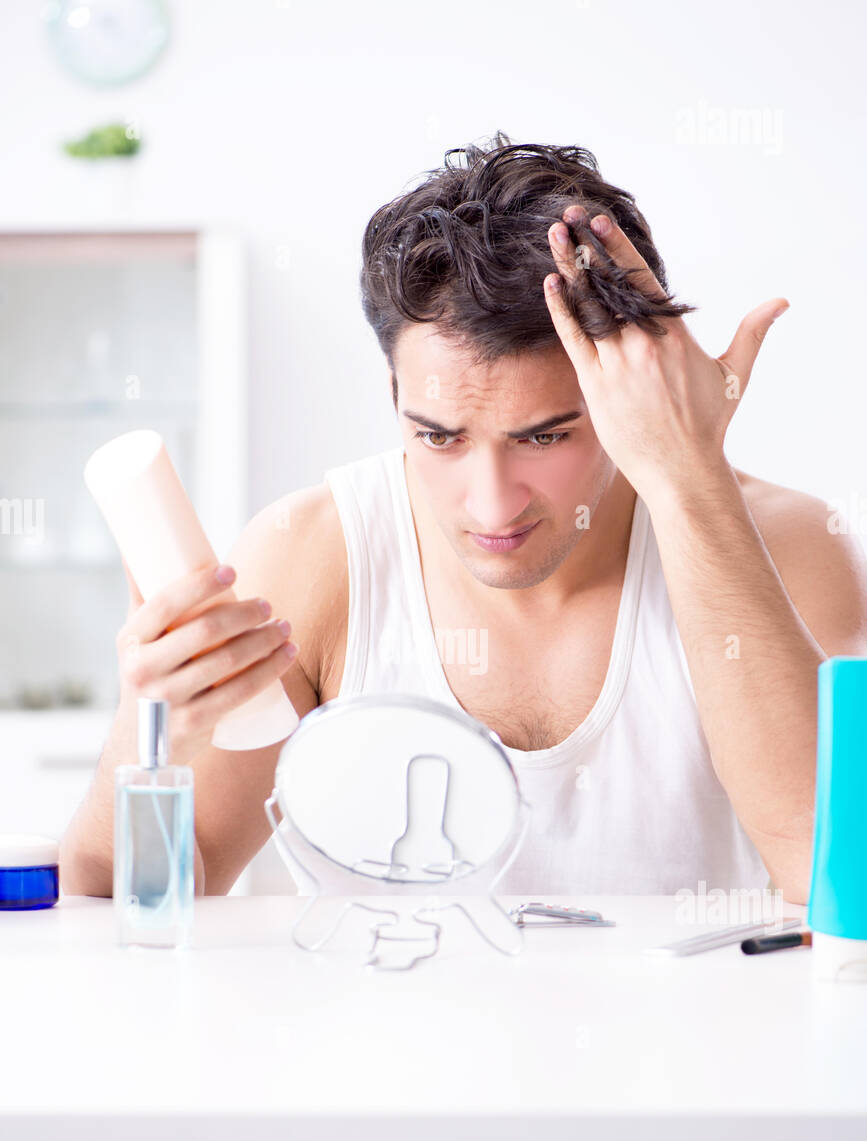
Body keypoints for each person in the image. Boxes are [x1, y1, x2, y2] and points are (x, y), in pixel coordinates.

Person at [60, 135, 867, 901]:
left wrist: (689, 474)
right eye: (437, 438)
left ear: (630, 391)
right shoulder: (315, 554)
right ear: (393, 398)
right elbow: (126, 893)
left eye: (545, 436)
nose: (491, 505)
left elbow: (836, 880)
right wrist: (149, 723)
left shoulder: (787, 545)